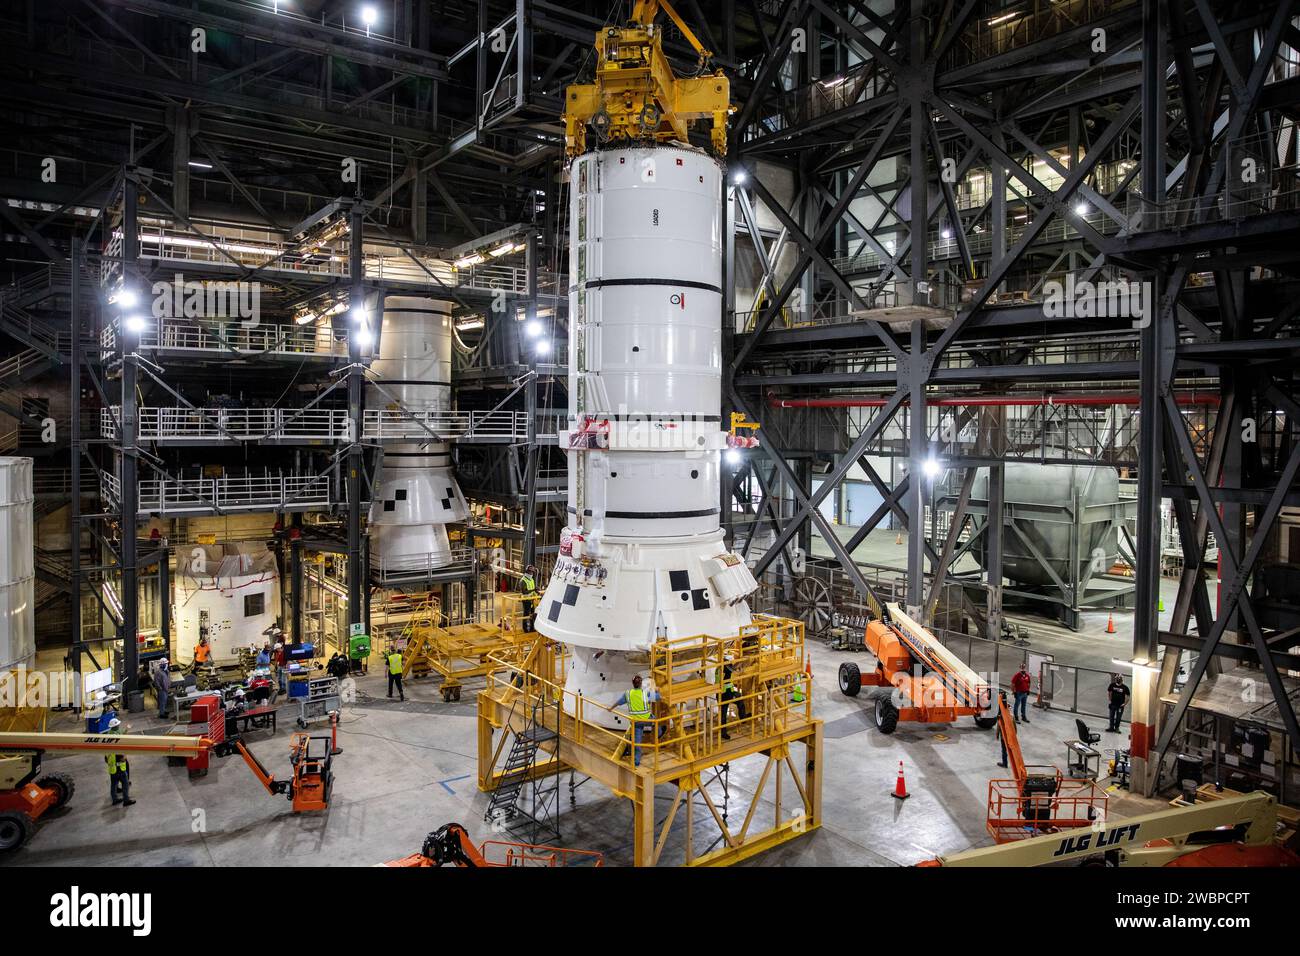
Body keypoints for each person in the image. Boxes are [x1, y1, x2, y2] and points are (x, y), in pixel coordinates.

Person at [611, 675, 661, 767]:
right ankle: (659, 733)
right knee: (655, 720)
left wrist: (610, 708)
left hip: (636, 722)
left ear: (633, 684)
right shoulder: (645, 693)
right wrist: (656, 689)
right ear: (641, 684)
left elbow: (619, 702)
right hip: (647, 720)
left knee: (637, 742)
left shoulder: (628, 694)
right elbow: (658, 697)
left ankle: (636, 761)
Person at [105, 718, 135, 807]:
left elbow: (121, 733)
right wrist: (124, 756)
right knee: (125, 784)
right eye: (117, 725)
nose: (118, 726)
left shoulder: (109, 734)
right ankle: (126, 800)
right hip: (119, 767)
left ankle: (115, 799)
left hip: (112, 768)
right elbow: (120, 755)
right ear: (114, 726)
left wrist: (127, 729)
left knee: (113, 784)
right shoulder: (115, 739)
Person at [719, 663, 747, 741]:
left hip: (727, 693)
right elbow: (735, 670)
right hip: (724, 695)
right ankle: (723, 732)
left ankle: (743, 717)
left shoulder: (721, 669)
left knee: (740, 700)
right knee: (723, 715)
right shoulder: (725, 671)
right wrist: (741, 665)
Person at [519, 564, 538, 633]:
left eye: (532, 572)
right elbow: (524, 592)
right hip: (526, 600)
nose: (532, 573)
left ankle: (532, 628)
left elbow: (533, 589)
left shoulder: (531, 579)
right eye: (530, 572)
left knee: (533, 614)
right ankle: (525, 629)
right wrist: (533, 589)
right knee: (526, 614)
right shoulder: (523, 581)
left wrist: (536, 592)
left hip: (532, 599)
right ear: (527, 572)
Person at [995, 692, 1009, 768]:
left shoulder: (1001, 718)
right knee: (1006, 750)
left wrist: (997, 735)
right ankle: (1005, 762)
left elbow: (999, 726)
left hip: (1004, 737)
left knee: (1004, 750)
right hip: (1008, 736)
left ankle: (1005, 763)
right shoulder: (1008, 715)